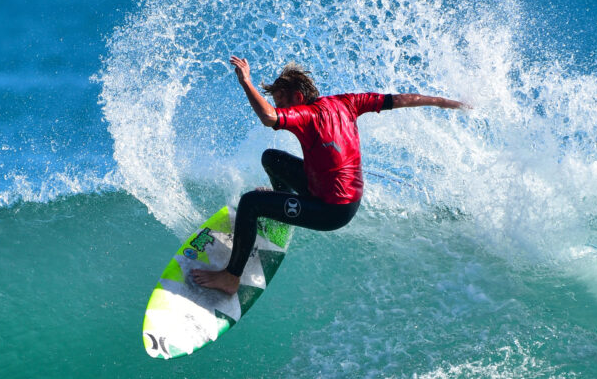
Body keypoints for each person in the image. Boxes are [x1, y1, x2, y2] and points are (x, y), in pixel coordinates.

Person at [189, 56, 469, 295]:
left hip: (331, 210)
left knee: (251, 202)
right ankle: (284, 203)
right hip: (331, 190)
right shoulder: (346, 102)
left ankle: (231, 277)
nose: (282, 109)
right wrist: (444, 101)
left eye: (283, 102)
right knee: (271, 158)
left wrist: (246, 82)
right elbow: (401, 99)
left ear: (298, 98)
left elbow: (269, 117)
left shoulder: (306, 114)